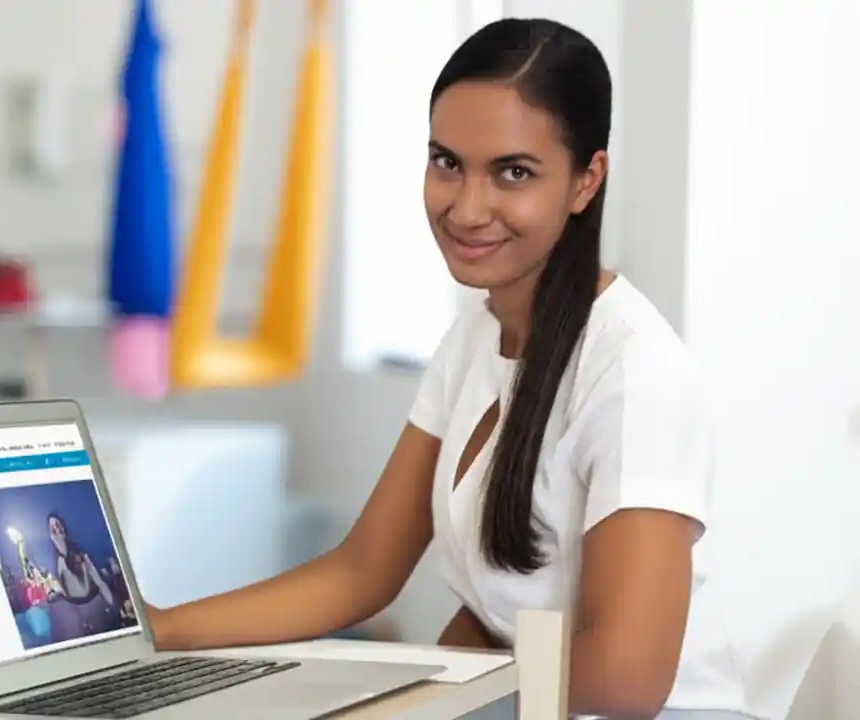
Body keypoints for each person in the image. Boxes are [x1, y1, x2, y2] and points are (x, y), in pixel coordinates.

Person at [145, 18, 750, 719]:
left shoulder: (636, 374)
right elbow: (361, 571)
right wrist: (162, 630)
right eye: (447, 162)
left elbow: (626, 678)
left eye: (513, 173)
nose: (465, 208)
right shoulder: (477, 331)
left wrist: (423, 700)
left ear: (586, 180)